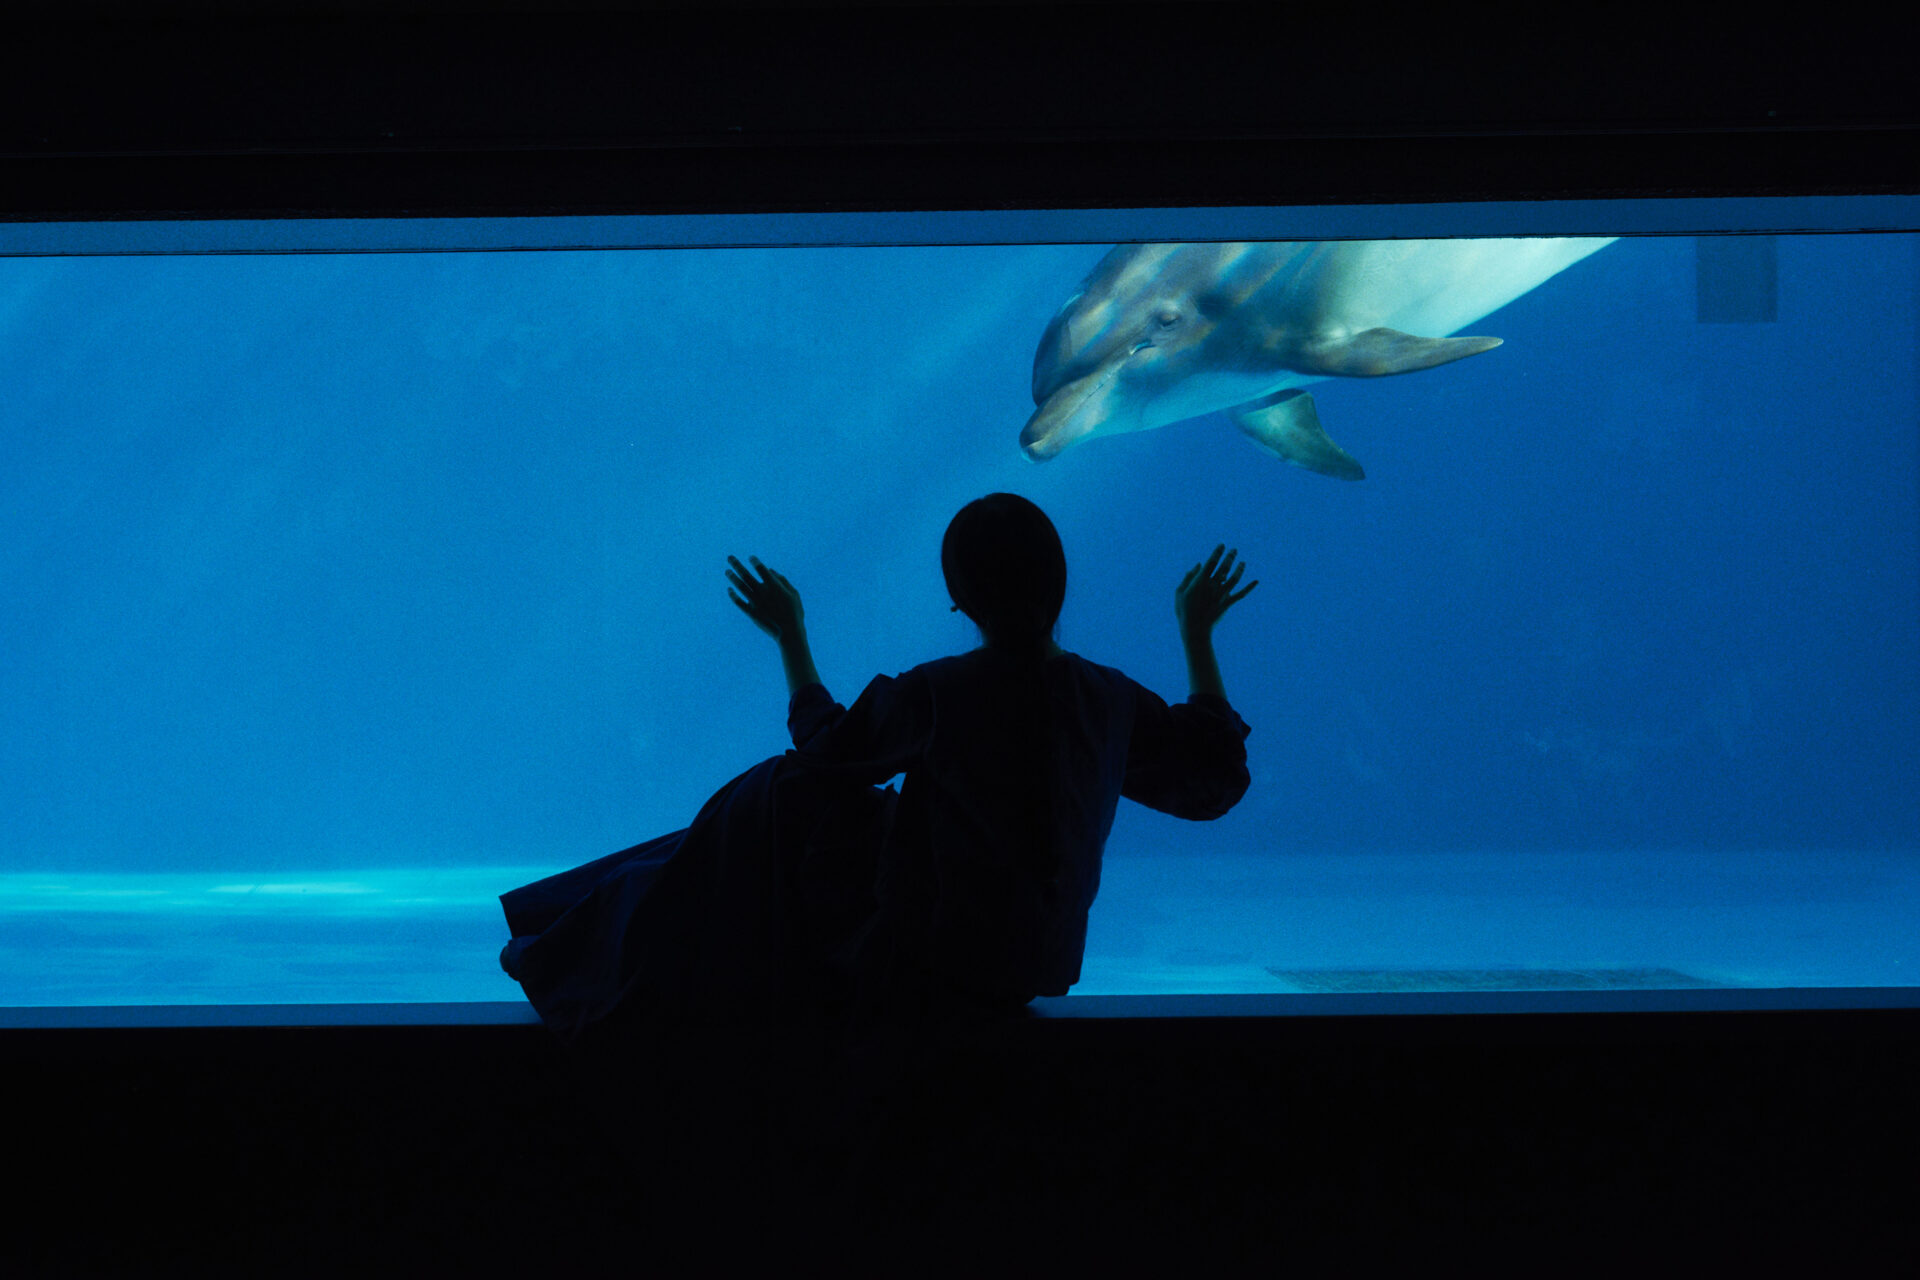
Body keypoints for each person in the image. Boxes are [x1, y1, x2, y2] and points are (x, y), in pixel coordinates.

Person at [497, 493, 1255, 1051]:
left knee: (776, 792)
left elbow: (826, 750)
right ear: (1060, 584)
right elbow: (1210, 785)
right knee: (822, 804)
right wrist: (1198, 634)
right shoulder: (1110, 700)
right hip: (1036, 961)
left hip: (928, 964)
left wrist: (790, 635)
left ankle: (590, 949)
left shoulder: (939, 693)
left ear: (958, 600)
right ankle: (586, 929)